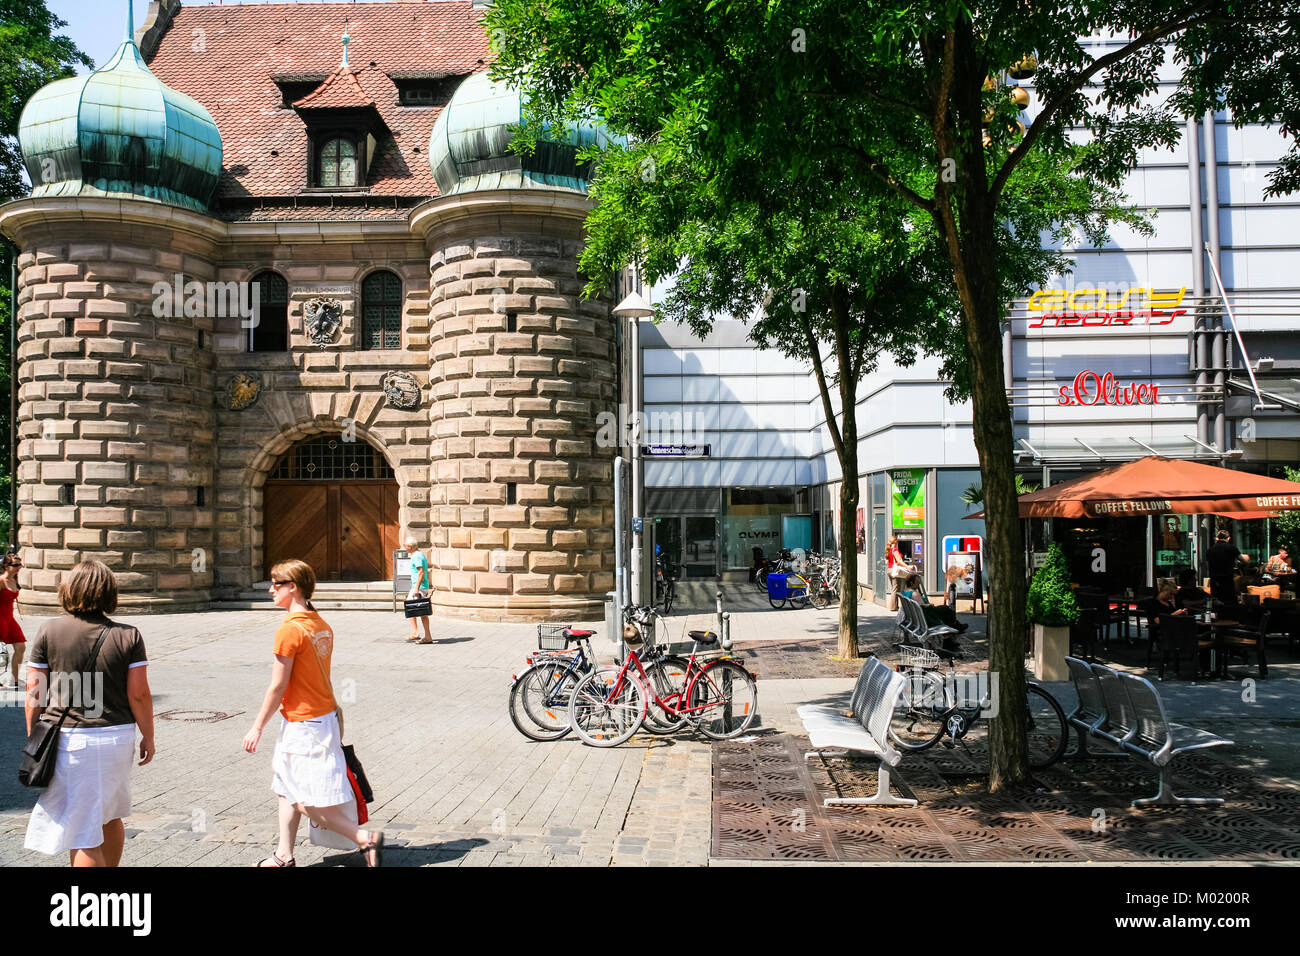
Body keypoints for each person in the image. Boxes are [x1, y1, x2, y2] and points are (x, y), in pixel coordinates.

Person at [242, 559, 383, 867]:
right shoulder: (320, 624)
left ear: (292, 587)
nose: (270, 590)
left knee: (301, 797)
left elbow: (277, 686)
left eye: (275, 584)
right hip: (322, 718)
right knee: (284, 785)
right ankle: (284, 855)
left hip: (303, 723)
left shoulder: (289, 631)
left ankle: (364, 839)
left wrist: (256, 727)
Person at [23, 559, 155, 866]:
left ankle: (90, 908)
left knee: (82, 831)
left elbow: (34, 691)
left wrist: (33, 734)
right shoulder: (129, 635)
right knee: (111, 816)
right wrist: (148, 736)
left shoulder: (49, 631)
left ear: (69, 590)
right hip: (117, 737)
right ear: (109, 592)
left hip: (70, 740)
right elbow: (139, 694)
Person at [902, 574, 968, 634]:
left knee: (944, 609)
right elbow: (922, 605)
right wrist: (930, 605)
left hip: (917, 617)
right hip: (926, 616)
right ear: (911, 582)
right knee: (946, 609)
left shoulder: (905, 592)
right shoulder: (914, 593)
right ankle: (955, 626)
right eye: (917, 581)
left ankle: (956, 625)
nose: (919, 583)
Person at [1, 553, 26, 687]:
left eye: (19, 564)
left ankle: (13, 678)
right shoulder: (1, 581)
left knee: (21, 646)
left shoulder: (15, 580)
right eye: (15, 565)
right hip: (0, 620)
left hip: (9, 619)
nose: (18, 567)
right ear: (6, 566)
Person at [404, 536, 433, 644]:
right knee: (414, 608)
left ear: (410, 546)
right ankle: (417, 632)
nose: (404, 547)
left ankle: (426, 636)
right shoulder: (419, 555)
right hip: (420, 587)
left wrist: (416, 589)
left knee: (420, 610)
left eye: (405, 545)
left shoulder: (416, 556)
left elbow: (421, 572)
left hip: (419, 587)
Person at [1207, 530, 1246, 605]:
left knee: (1216, 601)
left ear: (1217, 538)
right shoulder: (1231, 548)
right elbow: (1244, 561)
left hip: (1214, 580)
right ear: (1228, 538)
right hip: (1227, 579)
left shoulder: (1210, 550)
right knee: (1229, 601)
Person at [885, 536, 912, 611]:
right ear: (896, 542)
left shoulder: (888, 550)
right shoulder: (895, 550)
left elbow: (886, 562)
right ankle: (893, 607)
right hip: (895, 571)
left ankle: (895, 606)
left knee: (894, 588)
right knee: (896, 589)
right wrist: (907, 567)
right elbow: (899, 561)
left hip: (890, 570)